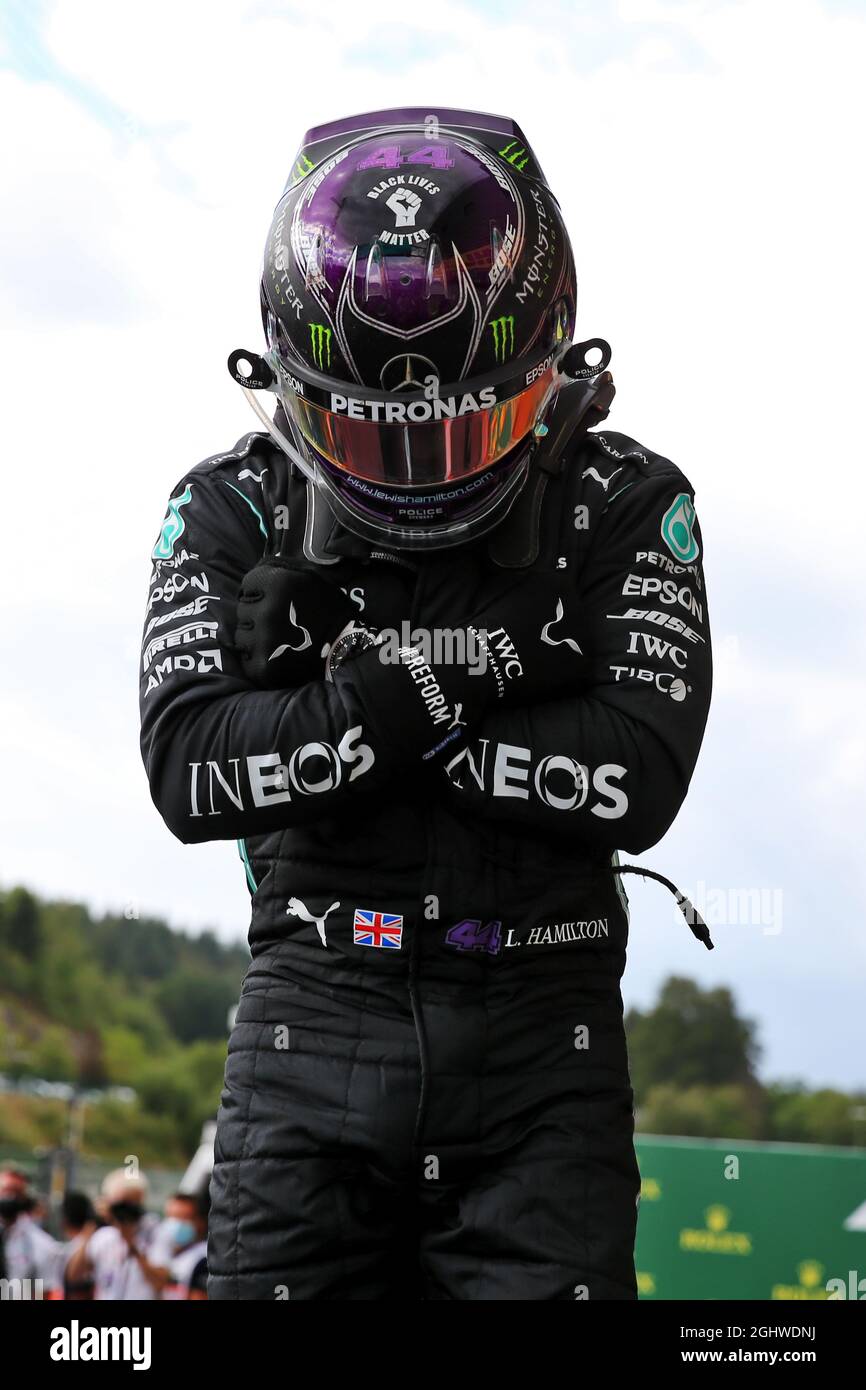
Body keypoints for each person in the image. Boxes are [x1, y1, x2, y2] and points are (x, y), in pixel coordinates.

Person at [140, 107, 713, 1300]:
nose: (418, 468)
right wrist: (497, 658)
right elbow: (192, 769)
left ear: (546, 355)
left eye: (461, 425)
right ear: (288, 377)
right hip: (311, 1024)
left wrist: (352, 677)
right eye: (368, 428)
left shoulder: (627, 496)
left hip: (539, 1053)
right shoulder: (227, 504)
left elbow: (634, 774)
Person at [64, 1169, 170, 1300]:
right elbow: (74, 1274)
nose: (126, 1211)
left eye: (133, 1205)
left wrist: (132, 1245)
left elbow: (160, 1282)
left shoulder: (156, 1232)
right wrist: (92, 1224)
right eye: (121, 1205)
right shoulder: (103, 1236)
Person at [0, 1167, 61, 1296]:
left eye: (16, 1192)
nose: (9, 1198)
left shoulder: (42, 1244)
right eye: (5, 1191)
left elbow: (44, 1292)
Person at [157, 1190, 209, 1299]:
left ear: (200, 1222)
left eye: (182, 1218)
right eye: (170, 1216)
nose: (174, 1223)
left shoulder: (205, 1258)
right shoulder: (161, 1252)